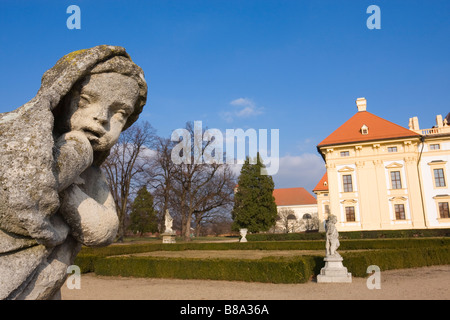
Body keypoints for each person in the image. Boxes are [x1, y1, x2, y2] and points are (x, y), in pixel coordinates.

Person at [0, 45, 147, 299]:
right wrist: (77, 150)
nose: (101, 118)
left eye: (120, 113)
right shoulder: (14, 138)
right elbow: (24, 195)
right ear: (62, 95)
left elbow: (104, 230)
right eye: (86, 101)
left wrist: (68, 192)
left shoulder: (91, 175)